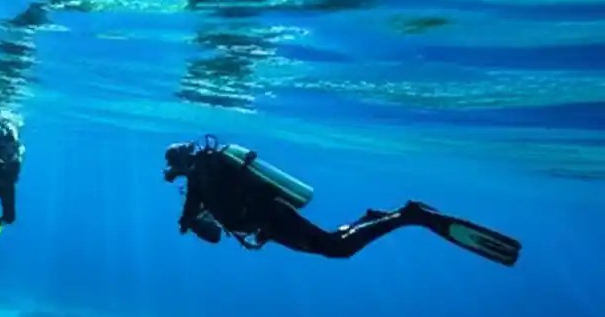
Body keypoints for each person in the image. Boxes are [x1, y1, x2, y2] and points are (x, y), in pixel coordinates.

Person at [162, 136, 522, 266]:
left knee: (337, 249)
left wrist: (186, 221)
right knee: (332, 246)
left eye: (174, 166)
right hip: (269, 223)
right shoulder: (204, 173)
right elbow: (211, 221)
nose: (174, 171)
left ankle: (408, 215)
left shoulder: (202, 176)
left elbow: (206, 229)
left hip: (272, 219)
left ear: (182, 162)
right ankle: (375, 217)